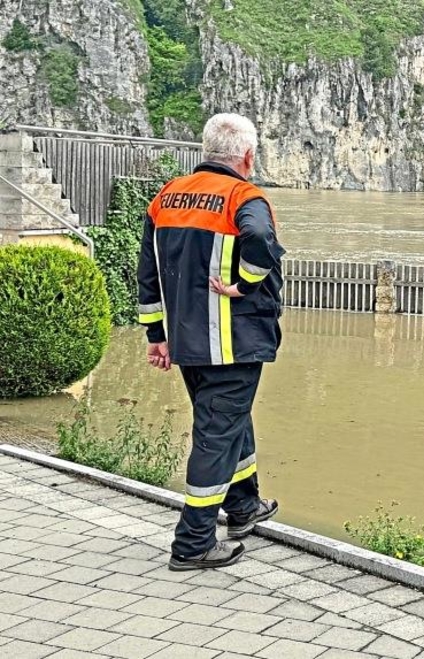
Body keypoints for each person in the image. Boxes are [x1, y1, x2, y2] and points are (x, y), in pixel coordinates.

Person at [137, 113, 286, 571]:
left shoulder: (167, 197)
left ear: (206, 150)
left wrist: (156, 335)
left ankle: (243, 508)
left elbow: (148, 274)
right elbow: (260, 238)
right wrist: (245, 282)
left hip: (187, 343)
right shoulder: (245, 196)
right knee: (215, 435)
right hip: (232, 343)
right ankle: (193, 542)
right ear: (247, 156)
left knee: (228, 422)